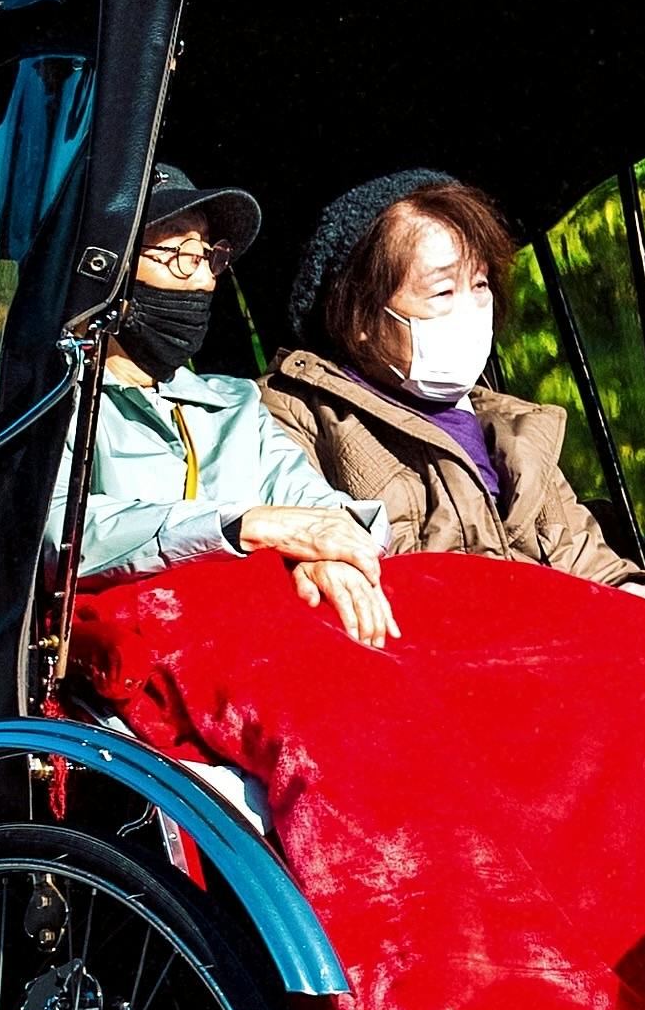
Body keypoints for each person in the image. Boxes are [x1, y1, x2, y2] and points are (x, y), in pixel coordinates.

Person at [266, 169, 645, 600]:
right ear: (360, 314)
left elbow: (596, 569)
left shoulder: (515, 430)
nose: (471, 310)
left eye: (480, 283)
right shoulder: (292, 416)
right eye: (443, 292)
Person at [50, 163, 396, 648]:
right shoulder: (40, 398)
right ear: (106, 269)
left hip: (259, 654)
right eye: (176, 254)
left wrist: (333, 553)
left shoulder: (236, 403)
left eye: (209, 255)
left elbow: (323, 510)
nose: (199, 280)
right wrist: (241, 526)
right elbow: (50, 534)